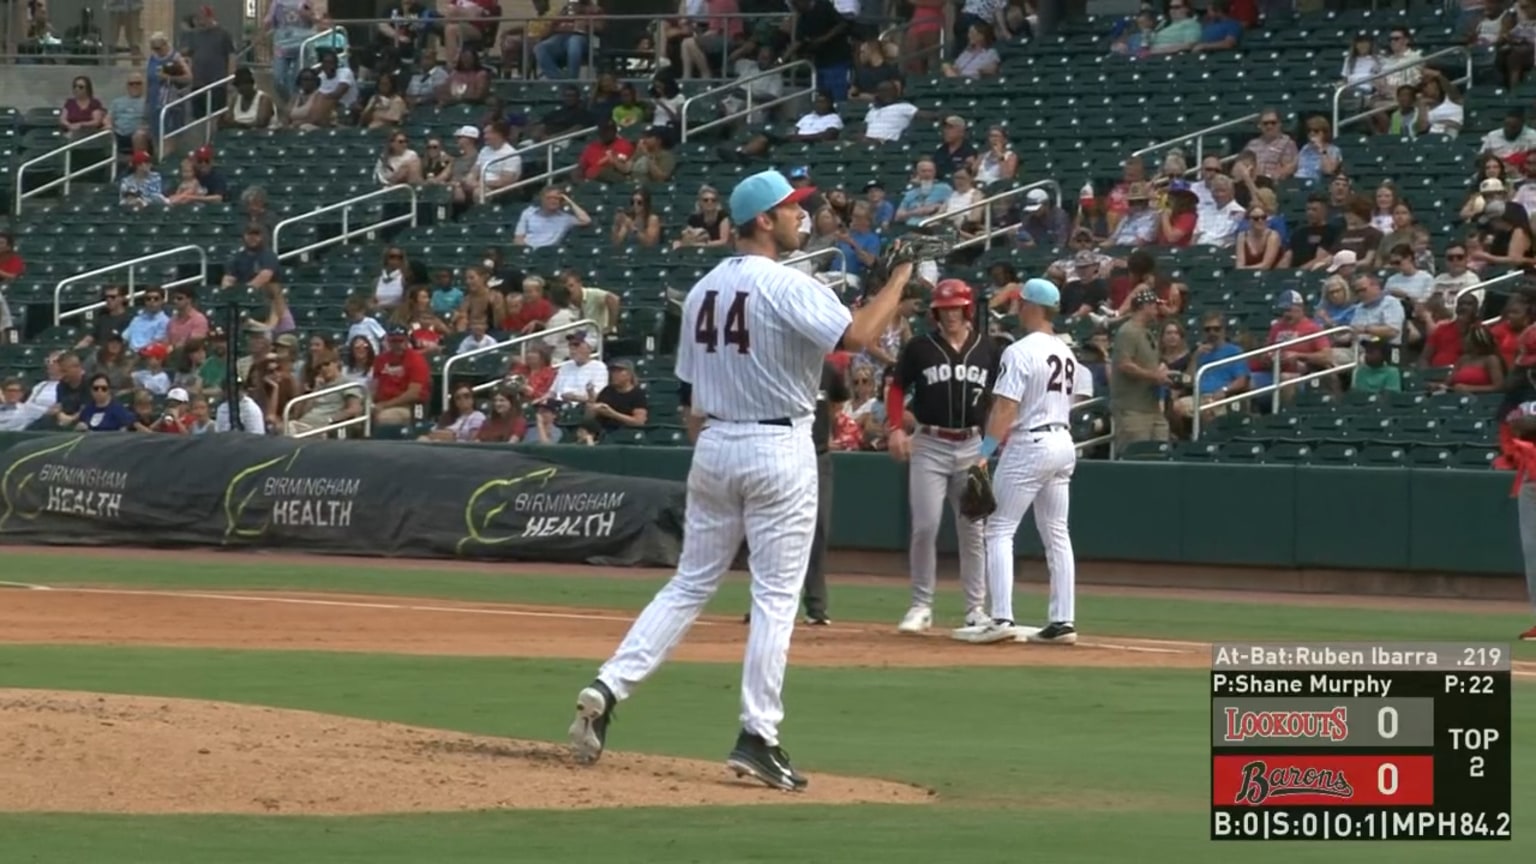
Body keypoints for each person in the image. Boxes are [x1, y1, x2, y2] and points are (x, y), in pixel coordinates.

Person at [568, 169, 915, 792]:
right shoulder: (785, 282)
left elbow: (689, 393)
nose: (799, 216)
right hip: (779, 445)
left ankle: (608, 684)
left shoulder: (702, 288)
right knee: (776, 599)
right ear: (762, 220)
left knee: (689, 584)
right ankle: (759, 734)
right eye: (789, 209)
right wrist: (898, 282)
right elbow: (859, 337)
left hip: (716, 441)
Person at [960, 278, 1083, 645]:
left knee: (998, 529)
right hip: (1063, 439)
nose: (1017, 307)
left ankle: (1001, 618)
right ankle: (1063, 621)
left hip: (1031, 442)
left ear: (1030, 306)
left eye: (1020, 302)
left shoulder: (1020, 350)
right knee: (1057, 535)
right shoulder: (1067, 352)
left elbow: (1006, 406)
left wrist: (984, 454)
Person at [884, 278, 1001, 635]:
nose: (950, 314)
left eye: (956, 307)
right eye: (944, 308)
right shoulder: (921, 346)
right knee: (925, 526)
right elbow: (897, 388)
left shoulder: (989, 349)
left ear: (967, 309)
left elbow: (1001, 403)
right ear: (935, 311)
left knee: (974, 530)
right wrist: (895, 428)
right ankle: (921, 605)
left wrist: (988, 450)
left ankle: (975, 609)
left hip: (973, 444)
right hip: (930, 444)